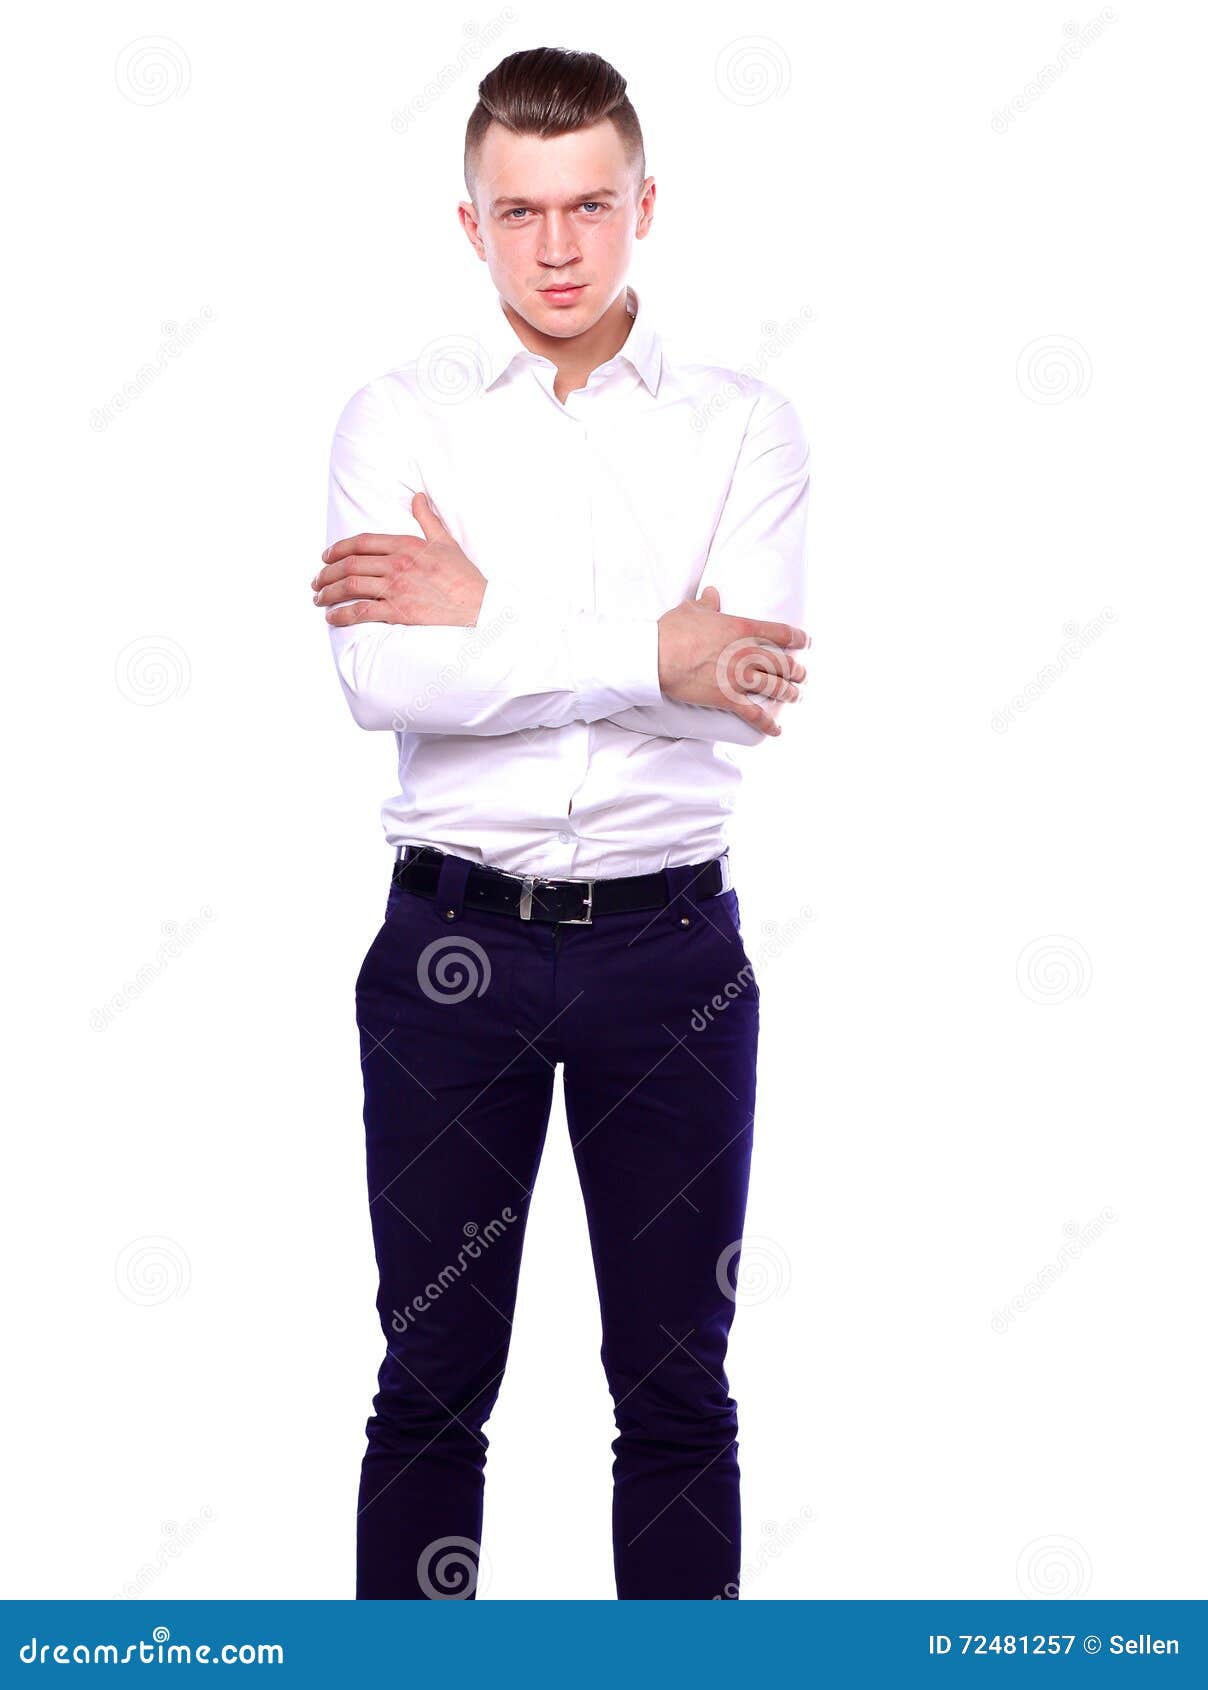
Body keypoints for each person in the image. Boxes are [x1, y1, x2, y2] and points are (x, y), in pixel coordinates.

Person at [312, 45, 811, 1600]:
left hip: (673, 958)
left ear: (644, 205)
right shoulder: (397, 419)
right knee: (429, 1387)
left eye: (589, 205)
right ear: (471, 223)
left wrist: (490, 613)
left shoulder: (746, 426)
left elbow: (745, 691)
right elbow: (386, 680)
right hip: (447, 949)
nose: (555, 247)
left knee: (677, 1392)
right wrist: (654, 648)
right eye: (519, 212)